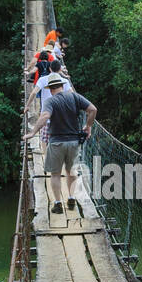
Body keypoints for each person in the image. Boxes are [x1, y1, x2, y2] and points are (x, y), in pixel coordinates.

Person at [24, 71, 96, 214]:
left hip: (56, 142)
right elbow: (93, 109)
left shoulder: (50, 101)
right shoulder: (75, 97)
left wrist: (33, 132)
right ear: (62, 85)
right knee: (71, 172)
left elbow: (45, 116)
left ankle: (57, 204)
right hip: (74, 142)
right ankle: (71, 198)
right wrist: (88, 126)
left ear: (50, 89)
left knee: (55, 174)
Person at [24, 58, 72, 144]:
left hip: (46, 116)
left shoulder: (43, 79)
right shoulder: (65, 81)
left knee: (45, 141)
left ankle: (47, 157)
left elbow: (34, 93)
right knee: (58, 141)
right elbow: (72, 96)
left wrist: (27, 106)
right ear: (60, 69)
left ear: (50, 69)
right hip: (61, 117)